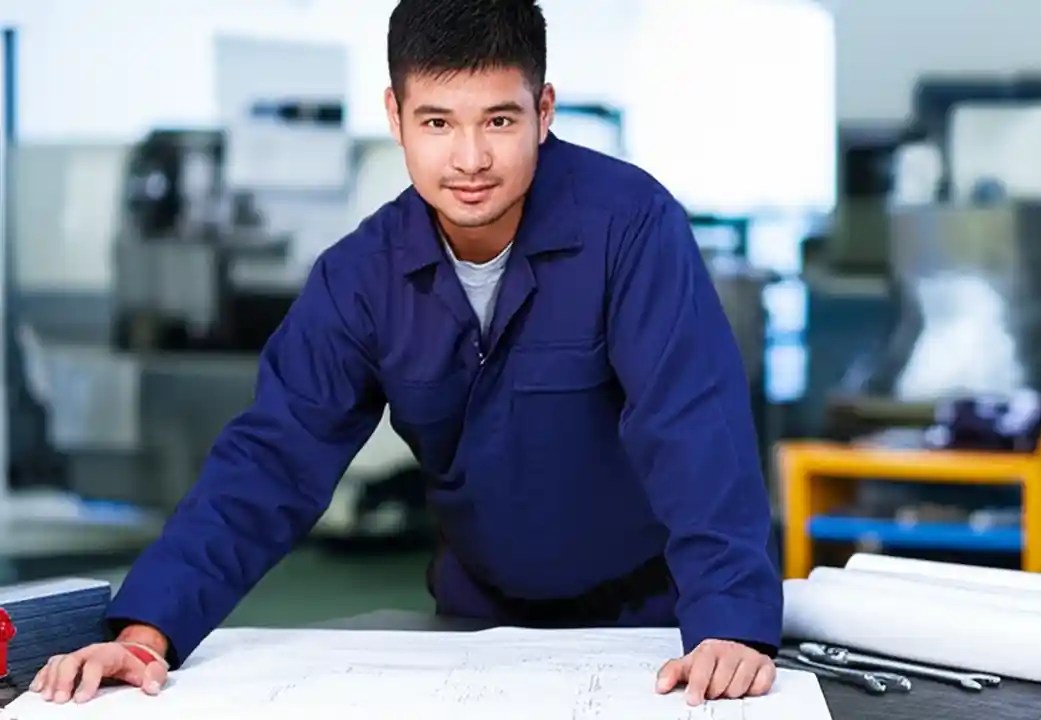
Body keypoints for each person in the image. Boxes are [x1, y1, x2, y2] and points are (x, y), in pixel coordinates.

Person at [29, 0, 782, 707]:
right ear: (395, 117)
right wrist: (147, 630)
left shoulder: (632, 228)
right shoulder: (363, 278)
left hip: (654, 625)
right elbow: (271, 461)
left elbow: (693, 428)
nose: (470, 158)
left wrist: (730, 622)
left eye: (499, 119)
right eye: (437, 121)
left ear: (543, 111)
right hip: (474, 628)